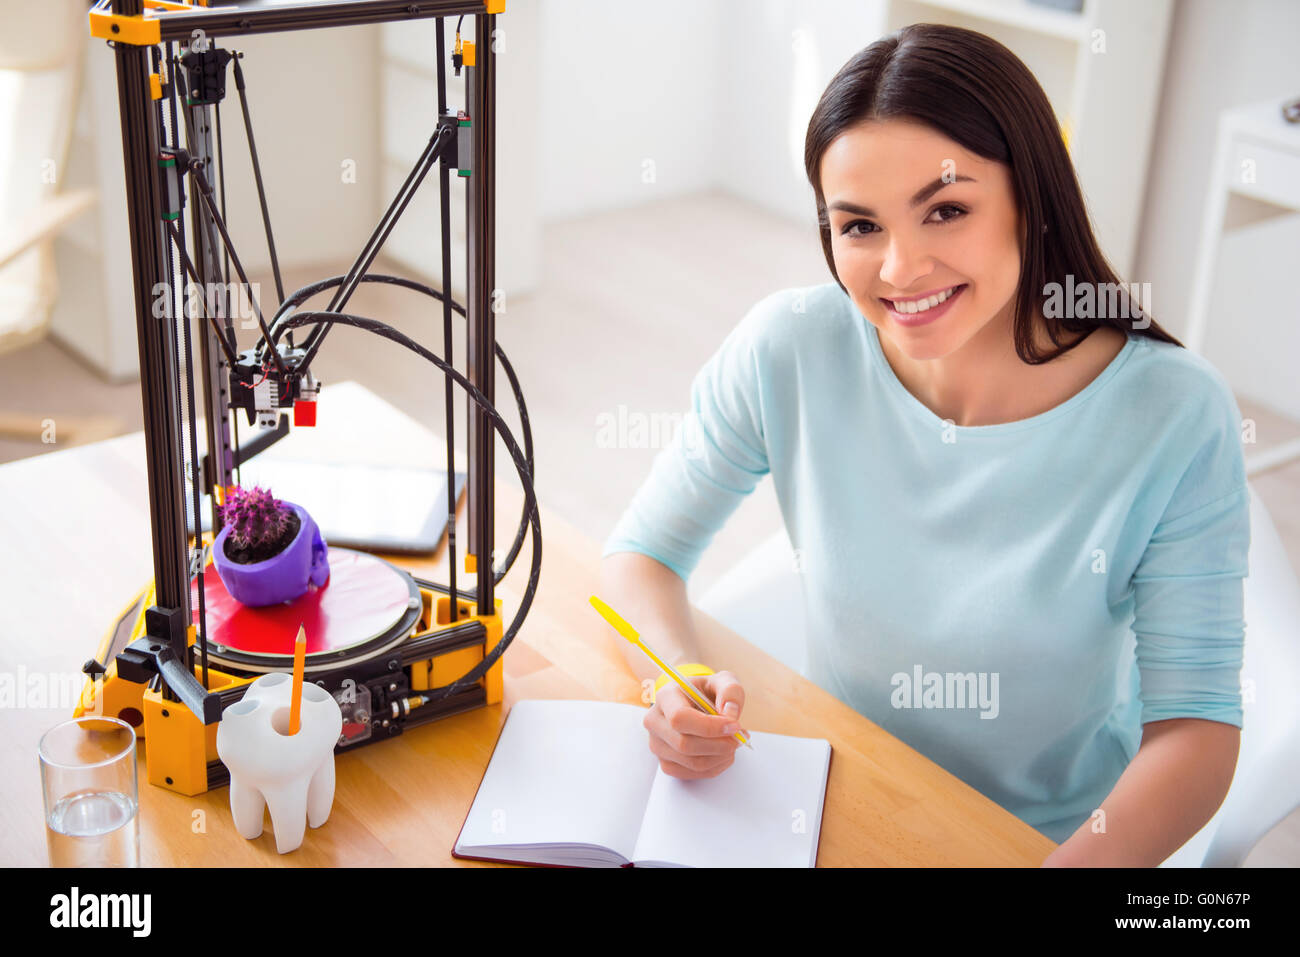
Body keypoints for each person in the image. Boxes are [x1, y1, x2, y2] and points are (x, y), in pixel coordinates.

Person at [599, 23, 1249, 867]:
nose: (901, 269)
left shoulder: (1173, 413)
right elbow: (640, 554)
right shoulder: (791, 347)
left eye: (947, 209)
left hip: (1043, 846)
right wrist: (670, 681)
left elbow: (1195, 731)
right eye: (859, 226)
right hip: (835, 806)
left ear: (1032, 195)